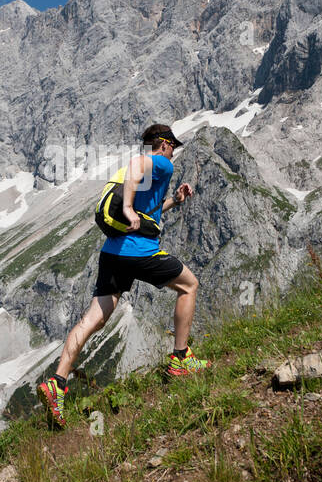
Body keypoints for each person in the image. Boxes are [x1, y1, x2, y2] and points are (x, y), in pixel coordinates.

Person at [37, 123, 209, 427]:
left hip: (112, 252)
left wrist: (175, 201)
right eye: (173, 146)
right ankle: (181, 359)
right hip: (138, 252)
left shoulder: (148, 176)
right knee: (189, 285)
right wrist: (128, 208)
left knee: (94, 318)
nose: (174, 152)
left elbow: (150, 213)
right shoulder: (161, 162)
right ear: (164, 144)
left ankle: (57, 383)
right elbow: (135, 166)